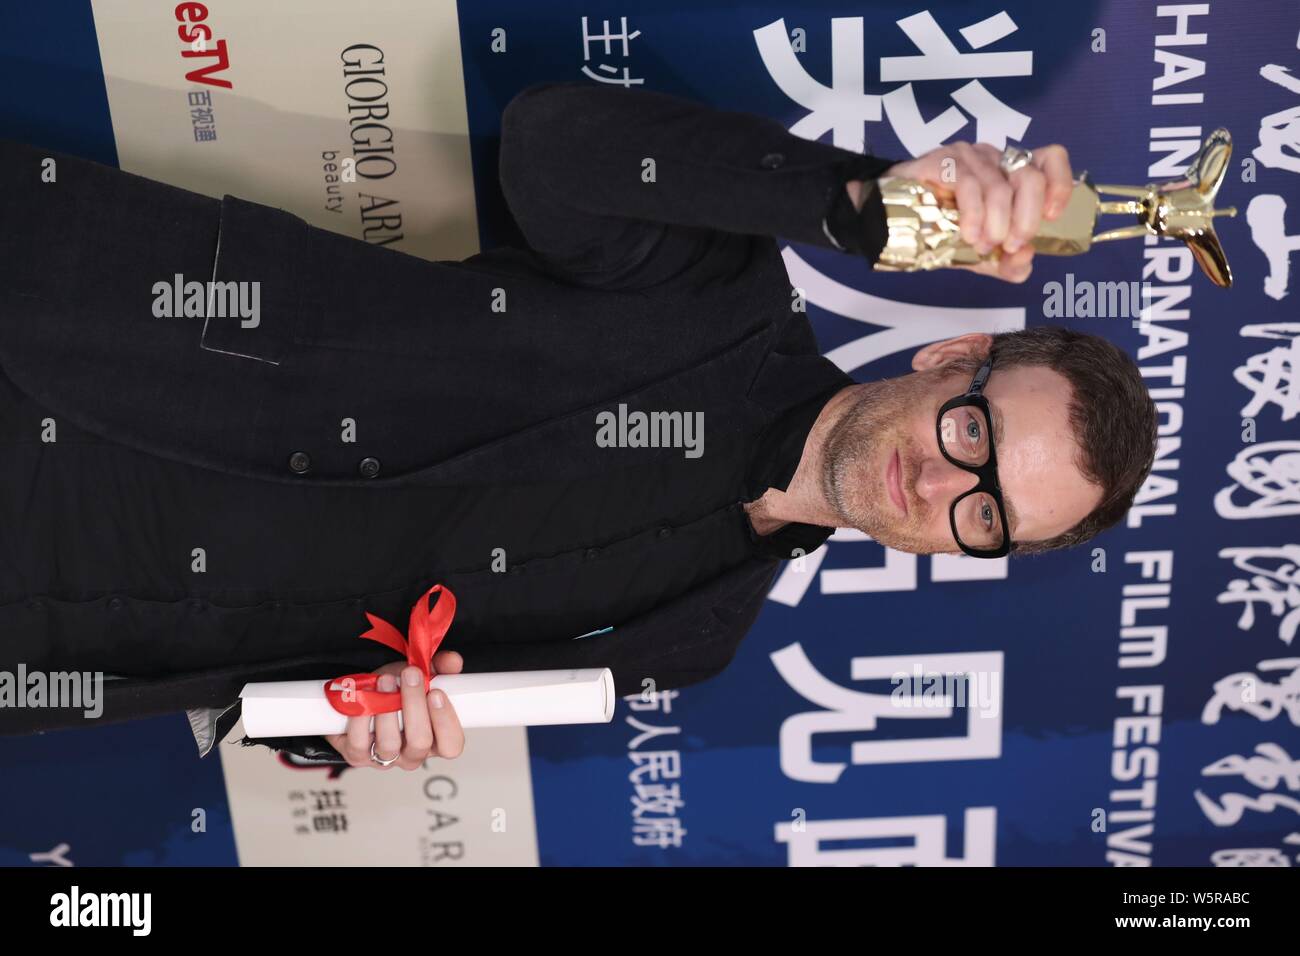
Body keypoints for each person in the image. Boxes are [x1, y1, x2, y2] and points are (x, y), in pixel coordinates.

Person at [0, 82, 1155, 770]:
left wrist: (342, 735)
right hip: (69, 359)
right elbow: (555, 144)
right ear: (952, 355)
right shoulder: (719, 295)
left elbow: (330, 687)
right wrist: (860, 204)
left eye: (987, 513)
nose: (941, 485)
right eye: (973, 433)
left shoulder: (690, 647)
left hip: (57, 639)